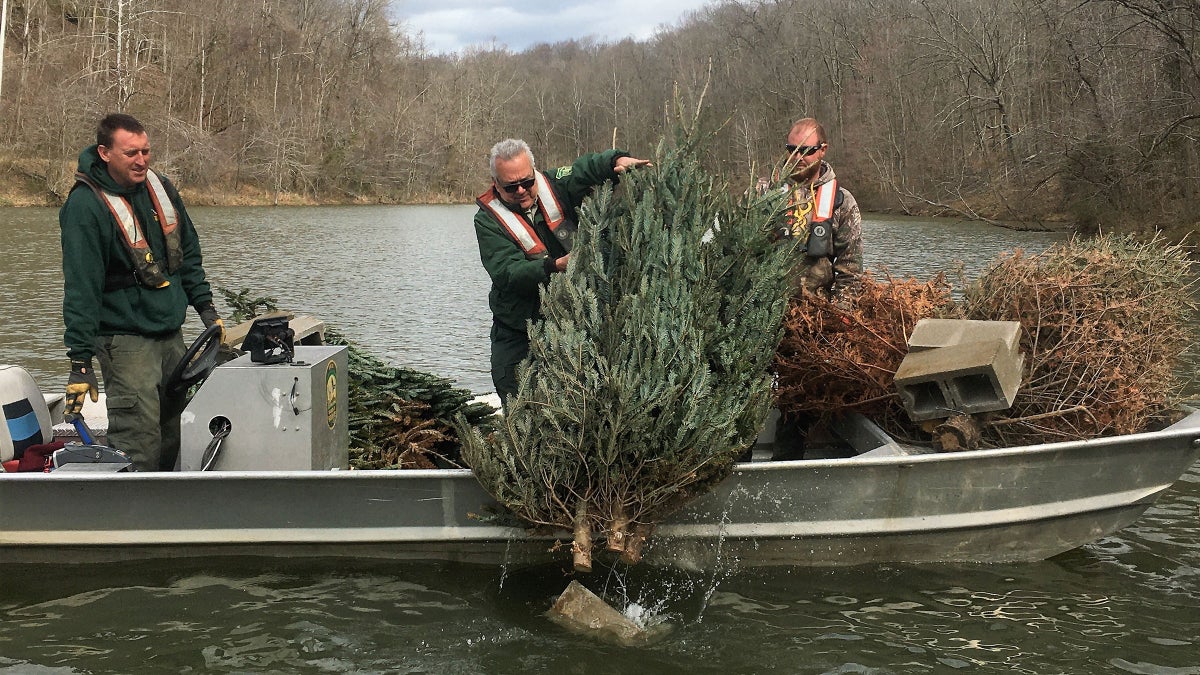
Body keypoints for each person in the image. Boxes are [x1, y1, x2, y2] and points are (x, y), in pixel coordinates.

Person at [60, 113, 224, 471]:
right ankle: (129, 503)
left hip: (170, 336)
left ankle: (168, 502)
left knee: (177, 432)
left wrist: (206, 309)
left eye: (146, 152)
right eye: (131, 153)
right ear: (105, 153)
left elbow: (187, 253)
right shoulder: (85, 206)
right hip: (125, 341)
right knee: (139, 439)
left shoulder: (159, 187)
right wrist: (80, 362)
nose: (141, 160)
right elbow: (81, 290)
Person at [474, 138, 650, 408]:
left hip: (572, 317)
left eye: (527, 182)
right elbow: (508, 273)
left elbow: (585, 168)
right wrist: (554, 266)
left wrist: (616, 160)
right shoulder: (487, 220)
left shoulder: (556, 184)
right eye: (511, 187)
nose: (521, 190)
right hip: (517, 326)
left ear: (534, 172)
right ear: (495, 184)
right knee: (516, 398)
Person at [769, 117, 863, 298]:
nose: (798, 157)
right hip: (765, 309)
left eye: (806, 151)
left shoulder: (842, 202)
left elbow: (850, 271)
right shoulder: (763, 194)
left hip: (816, 309)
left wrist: (839, 310)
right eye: (792, 150)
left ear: (822, 150)